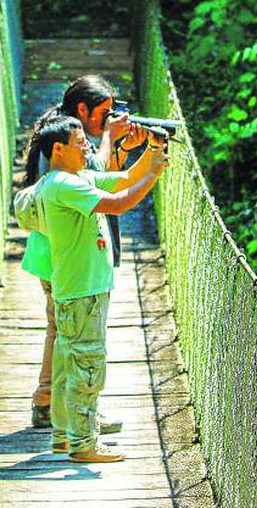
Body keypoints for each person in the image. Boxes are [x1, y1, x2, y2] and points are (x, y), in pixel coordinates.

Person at [36, 115, 167, 462]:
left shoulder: (75, 177)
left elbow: (124, 178)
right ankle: (84, 444)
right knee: (88, 366)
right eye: (81, 145)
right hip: (83, 292)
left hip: (79, 288)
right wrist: (154, 173)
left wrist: (151, 151)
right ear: (58, 149)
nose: (88, 150)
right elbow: (120, 203)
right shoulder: (64, 183)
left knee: (68, 365)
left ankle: (64, 436)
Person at [21, 75, 145, 428]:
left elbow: (101, 178)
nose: (106, 120)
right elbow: (92, 178)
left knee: (62, 329)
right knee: (71, 334)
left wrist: (122, 146)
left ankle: (51, 404)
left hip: (58, 251)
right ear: (81, 109)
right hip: (62, 254)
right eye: (103, 113)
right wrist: (110, 139)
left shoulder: (60, 131)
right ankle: (65, 409)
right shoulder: (63, 140)